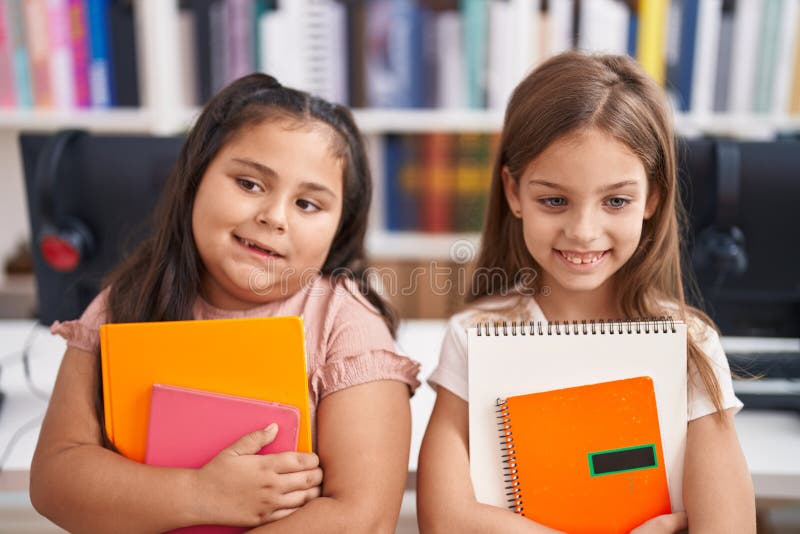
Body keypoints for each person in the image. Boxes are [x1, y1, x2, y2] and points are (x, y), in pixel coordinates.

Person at [29, 73, 420, 533]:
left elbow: (362, 518)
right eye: (250, 184)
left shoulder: (345, 325)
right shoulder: (128, 300)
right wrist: (201, 494)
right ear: (195, 179)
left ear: (341, 228)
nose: (273, 217)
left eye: (308, 205)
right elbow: (55, 477)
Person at [417, 51, 755, 533]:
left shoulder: (690, 344)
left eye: (615, 201)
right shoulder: (475, 334)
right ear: (514, 193)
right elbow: (444, 521)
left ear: (652, 198)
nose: (583, 231)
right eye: (554, 200)